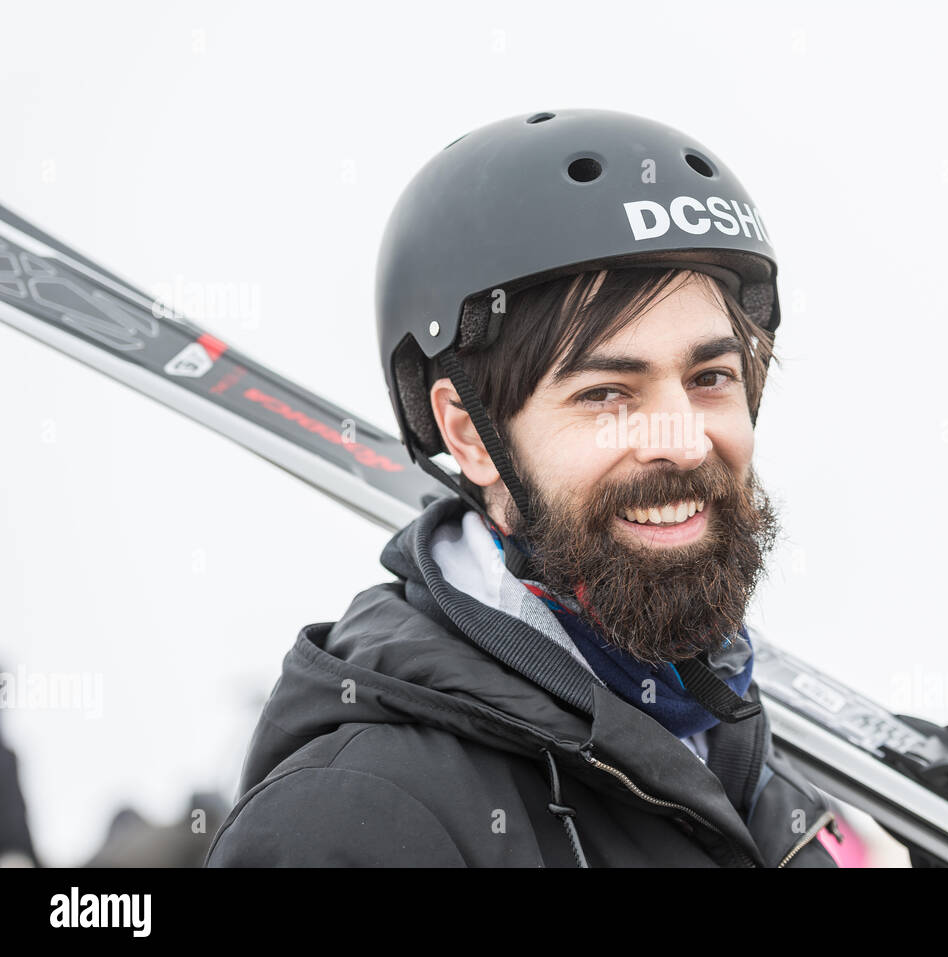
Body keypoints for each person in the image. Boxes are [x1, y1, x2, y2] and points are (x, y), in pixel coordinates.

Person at [204, 108, 845, 867]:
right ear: (470, 433)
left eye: (709, 378)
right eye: (607, 393)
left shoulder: (742, 762)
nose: (681, 440)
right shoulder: (352, 821)